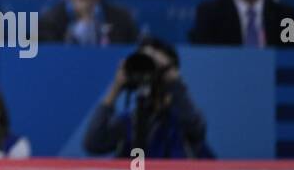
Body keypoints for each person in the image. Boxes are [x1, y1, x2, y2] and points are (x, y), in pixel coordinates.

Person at [83, 37, 213, 159]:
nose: (150, 72)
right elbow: (93, 143)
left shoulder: (180, 119)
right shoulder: (130, 122)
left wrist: (175, 83)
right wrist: (116, 87)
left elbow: (196, 129)